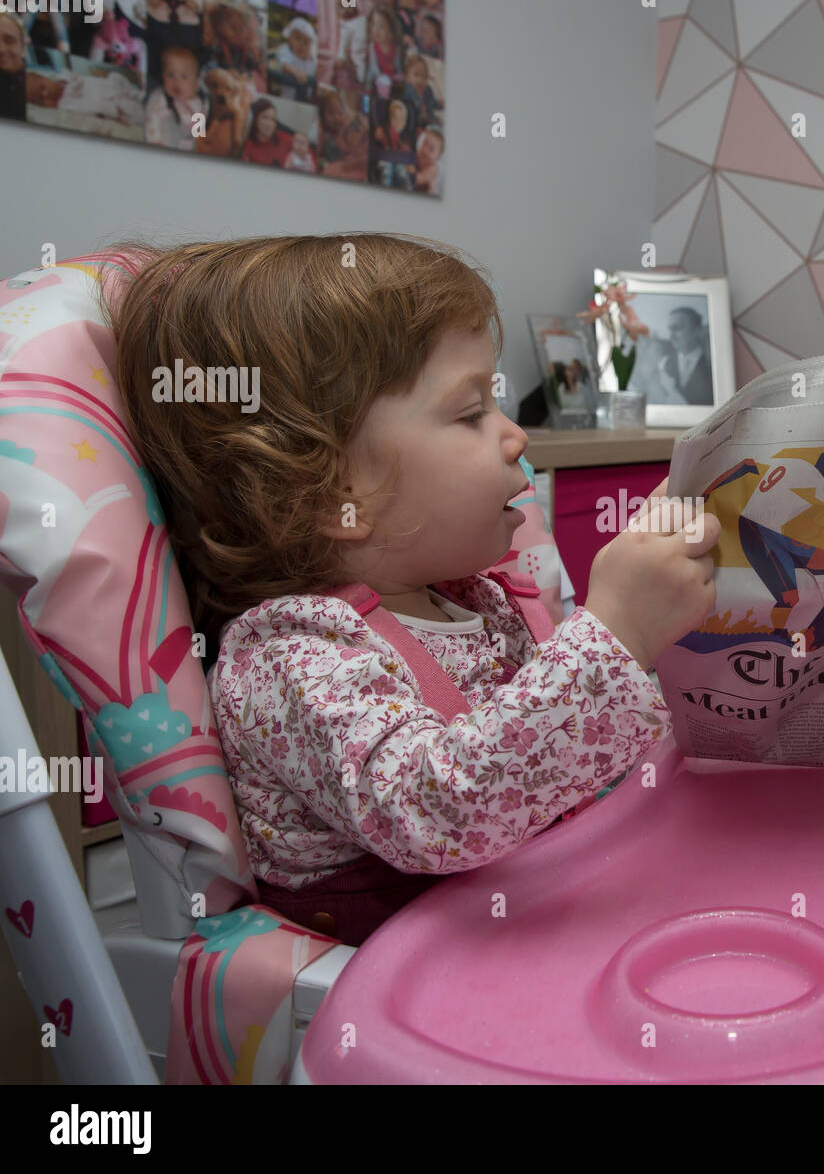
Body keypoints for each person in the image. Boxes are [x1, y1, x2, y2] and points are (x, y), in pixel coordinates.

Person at [105, 234, 720, 946]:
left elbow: (575, 749)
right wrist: (618, 632)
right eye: (469, 415)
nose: (516, 435)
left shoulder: (479, 600)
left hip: (539, 922)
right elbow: (441, 809)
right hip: (414, 987)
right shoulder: (289, 656)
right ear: (336, 486)